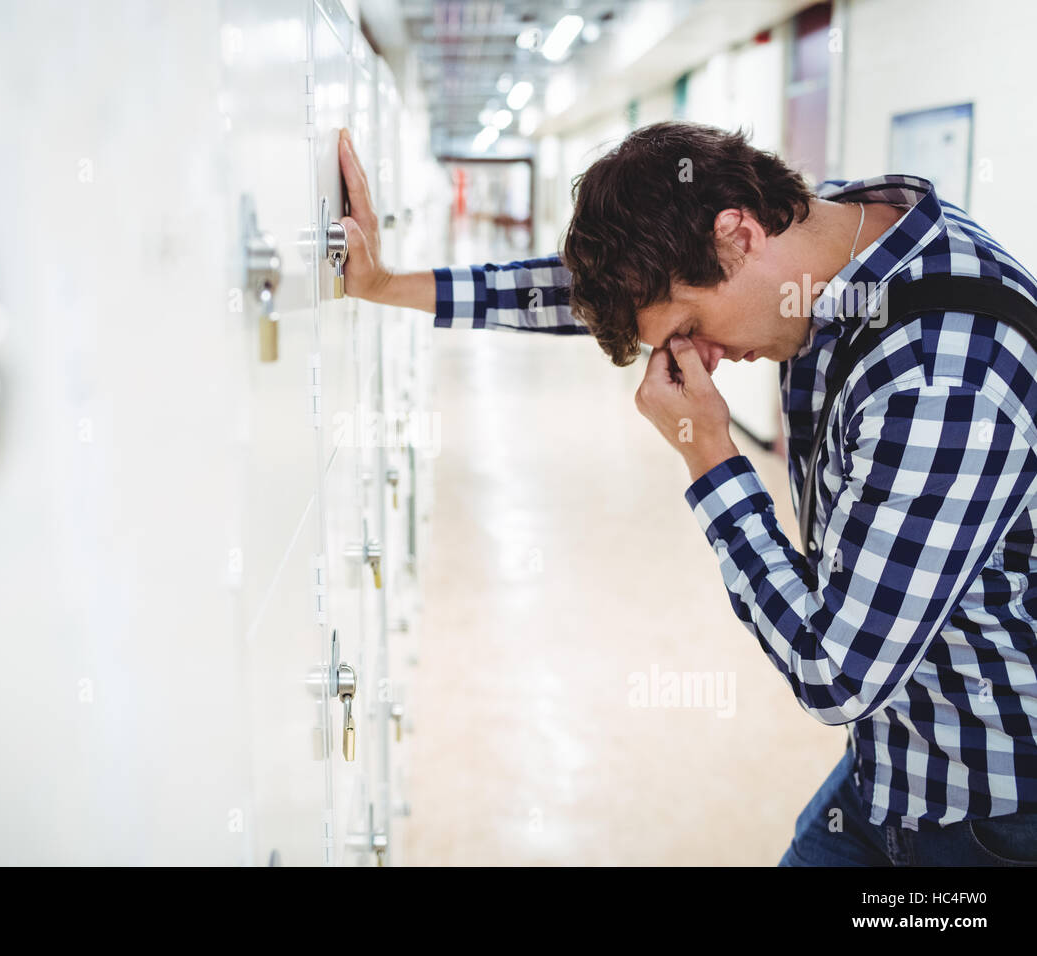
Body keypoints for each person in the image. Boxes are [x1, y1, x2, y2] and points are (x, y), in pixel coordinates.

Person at [337, 121, 1037, 866]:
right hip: (897, 762)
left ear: (736, 235)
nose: (697, 358)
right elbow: (589, 289)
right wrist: (388, 285)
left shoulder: (944, 378)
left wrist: (708, 456)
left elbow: (836, 672)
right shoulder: (825, 231)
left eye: (691, 327)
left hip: (986, 814)